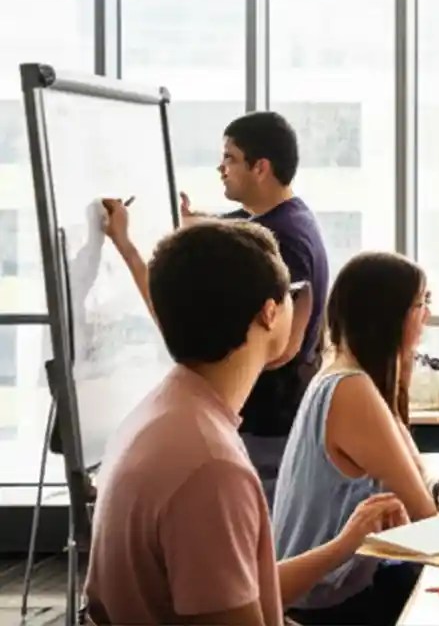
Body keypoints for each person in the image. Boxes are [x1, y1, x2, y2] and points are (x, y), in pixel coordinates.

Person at [83, 219, 406, 626]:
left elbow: (244, 591)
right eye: (291, 296)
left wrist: (343, 545)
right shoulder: (210, 465)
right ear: (270, 314)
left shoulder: (167, 413)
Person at [105, 110, 329, 504]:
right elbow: (224, 224)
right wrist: (185, 218)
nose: (220, 168)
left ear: (261, 167)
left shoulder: (283, 238)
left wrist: (127, 247)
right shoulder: (281, 219)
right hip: (267, 421)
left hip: (266, 424)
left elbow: (282, 347)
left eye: (229, 158)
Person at [273, 251, 439, 625]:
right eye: (420, 303)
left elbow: (412, 477)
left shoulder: (344, 372)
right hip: (328, 601)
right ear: (388, 316)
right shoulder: (353, 389)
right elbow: (424, 519)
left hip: (329, 589)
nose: (427, 315)